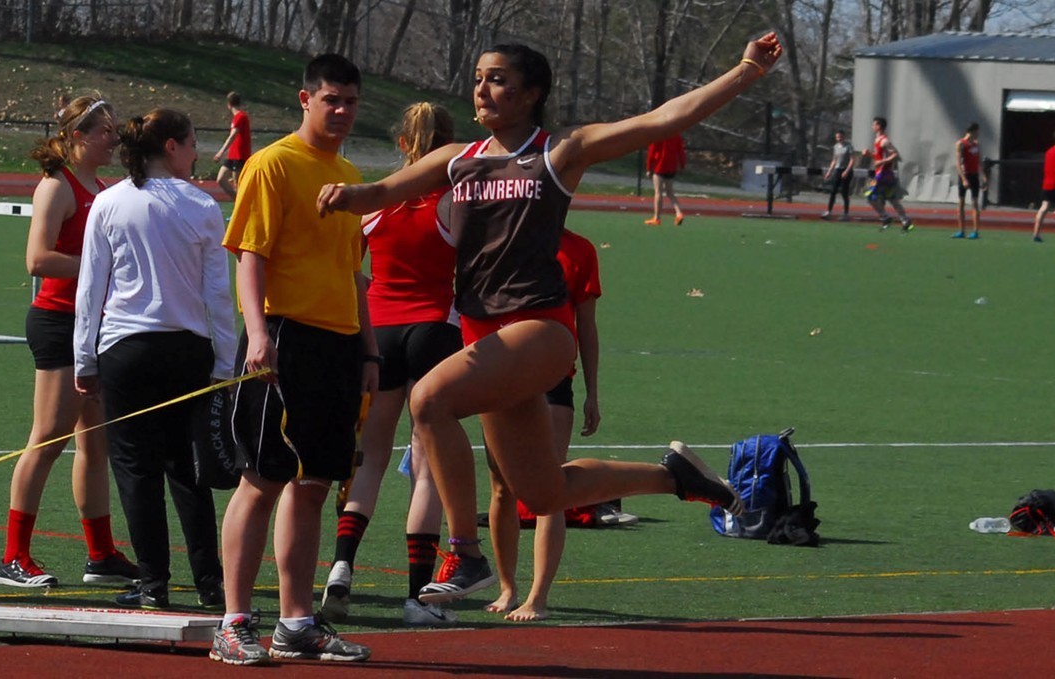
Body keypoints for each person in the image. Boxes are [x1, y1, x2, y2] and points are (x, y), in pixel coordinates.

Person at [317, 35, 780, 604]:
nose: (482, 89)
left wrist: (746, 71)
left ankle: (463, 552)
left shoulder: (560, 150)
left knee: (429, 401)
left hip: (540, 329)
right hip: (485, 333)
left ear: (532, 93)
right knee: (542, 489)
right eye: (480, 77)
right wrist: (343, 193)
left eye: (498, 79)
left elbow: (664, 119)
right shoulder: (458, 159)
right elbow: (380, 191)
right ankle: (678, 479)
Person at [209, 54, 374, 666]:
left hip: (338, 342)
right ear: (305, 98)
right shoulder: (272, 163)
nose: (342, 111)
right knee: (264, 477)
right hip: (282, 336)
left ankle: (297, 621)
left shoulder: (350, 174)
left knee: (314, 483)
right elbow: (249, 255)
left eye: (351, 101)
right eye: (332, 99)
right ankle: (233, 621)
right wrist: (257, 334)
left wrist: (369, 347)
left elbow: (353, 274)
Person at [73, 108, 233, 611]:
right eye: (190, 143)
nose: (196, 153)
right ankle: (211, 583)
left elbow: (90, 288)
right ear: (170, 147)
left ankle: (153, 582)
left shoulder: (108, 202)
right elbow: (218, 295)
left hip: (126, 349)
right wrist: (226, 364)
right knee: (189, 470)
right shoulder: (202, 205)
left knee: (135, 468)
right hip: (188, 349)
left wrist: (84, 357)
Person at [319, 102, 462, 629]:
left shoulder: (374, 202)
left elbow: (355, 274)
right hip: (434, 329)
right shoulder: (450, 201)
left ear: (403, 143)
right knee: (426, 463)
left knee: (371, 456)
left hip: (378, 332)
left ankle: (340, 565)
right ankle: (417, 597)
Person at [0, 94, 140, 590]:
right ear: (78, 136)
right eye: (105, 130)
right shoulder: (56, 187)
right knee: (46, 438)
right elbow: (36, 259)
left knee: (94, 444)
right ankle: (13, 557)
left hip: (91, 326)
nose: (113, 137)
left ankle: (100, 554)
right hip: (59, 322)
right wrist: (98, 270)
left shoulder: (98, 186)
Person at [483, 228, 601, 622]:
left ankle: (538, 595)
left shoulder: (579, 250)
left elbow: (586, 323)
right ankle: (507, 587)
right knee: (501, 486)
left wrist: (592, 390)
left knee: (551, 488)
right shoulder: (503, 240)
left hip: (554, 378)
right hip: (501, 373)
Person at [863, 117, 912, 232]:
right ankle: (905, 220)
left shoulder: (884, 140)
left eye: (874, 125)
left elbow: (895, 154)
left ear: (879, 126)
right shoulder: (877, 139)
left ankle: (885, 217)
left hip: (883, 174)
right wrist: (870, 154)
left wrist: (882, 162)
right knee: (892, 198)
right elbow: (878, 156)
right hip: (884, 173)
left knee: (870, 196)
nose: (872, 127)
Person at [211, 92, 252, 198]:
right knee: (221, 179)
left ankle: (242, 209)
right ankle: (238, 202)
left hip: (240, 155)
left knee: (237, 185)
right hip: (232, 155)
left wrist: (220, 152)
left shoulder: (241, 116)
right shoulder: (236, 117)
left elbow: (232, 136)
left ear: (228, 104)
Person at [951, 123, 984, 239]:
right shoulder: (961, 144)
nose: (978, 135)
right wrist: (964, 179)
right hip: (965, 175)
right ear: (971, 131)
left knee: (975, 202)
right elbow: (958, 164)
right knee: (961, 203)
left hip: (974, 175)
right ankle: (961, 230)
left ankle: (975, 231)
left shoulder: (976, 145)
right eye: (977, 132)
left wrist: (983, 176)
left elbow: (979, 161)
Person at [643, 134, 685, 225]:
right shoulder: (676, 136)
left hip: (660, 166)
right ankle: (679, 213)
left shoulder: (658, 136)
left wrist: (649, 168)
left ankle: (657, 218)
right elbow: (680, 151)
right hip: (672, 167)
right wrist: (682, 165)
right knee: (670, 192)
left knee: (658, 192)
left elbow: (652, 152)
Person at [821, 130, 855, 220]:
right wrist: (829, 172)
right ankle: (829, 211)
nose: (839, 139)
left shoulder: (849, 146)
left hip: (846, 170)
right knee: (833, 191)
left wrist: (846, 171)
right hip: (837, 170)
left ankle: (845, 214)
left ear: (844, 136)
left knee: (844, 192)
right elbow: (834, 160)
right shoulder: (836, 147)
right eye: (837, 137)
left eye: (840, 136)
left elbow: (852, 160)